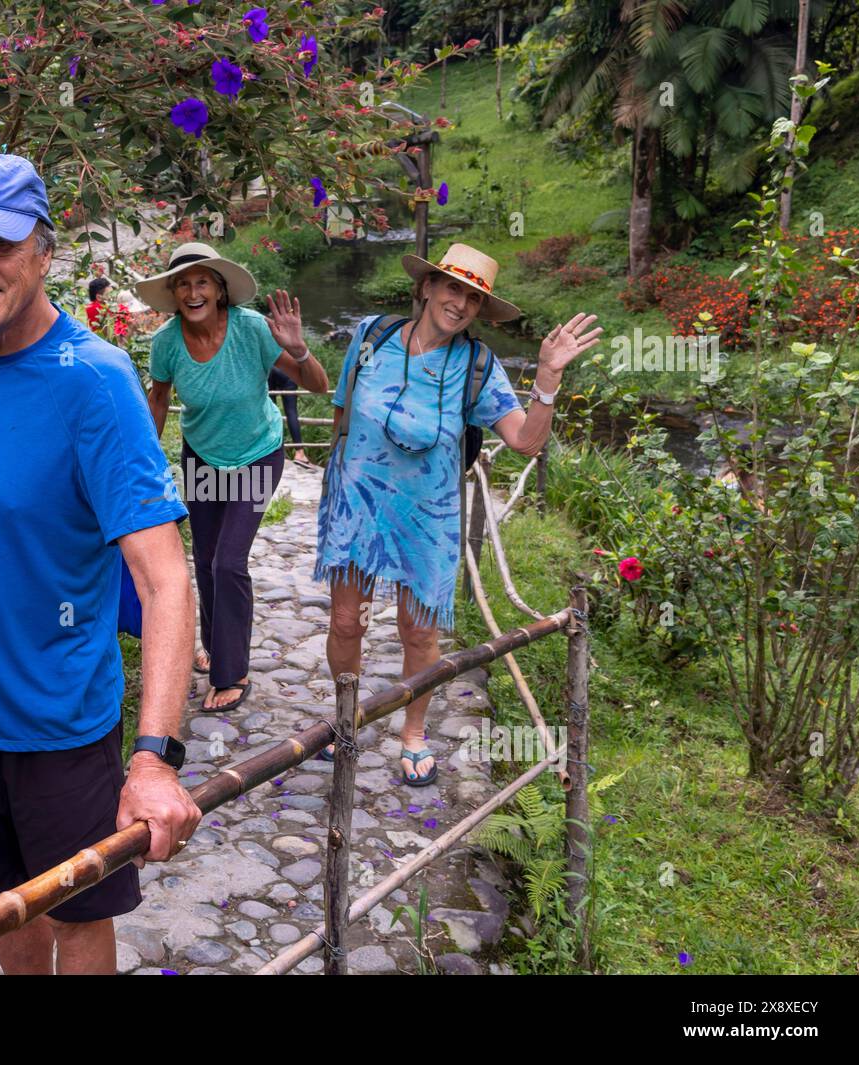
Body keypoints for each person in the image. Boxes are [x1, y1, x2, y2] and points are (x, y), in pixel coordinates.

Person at [0, 152, 201, 975]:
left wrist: (153, 757)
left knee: (77, 913)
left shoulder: (93, 381)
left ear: (43, 250)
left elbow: (165, 578)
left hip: (54, 725)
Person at [316, 243, 601, 785]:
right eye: (453, 287)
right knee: (345, 621)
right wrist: (334, 476)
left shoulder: (477, 364)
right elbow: (342, 408)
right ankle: (345, 717)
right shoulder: (371, 335)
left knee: (417, 633)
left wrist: (547, 379)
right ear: (426, 288)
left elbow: (524, 442)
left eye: (473, 297)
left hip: (428, 514)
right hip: (357, 505)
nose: (461, 302)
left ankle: (414, 732)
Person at [139, 243, 329, 710]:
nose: (192, 290)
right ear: (173, 293)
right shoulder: (167, 342)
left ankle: (233, 672)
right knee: (203, 562)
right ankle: (216, 649)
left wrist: (299, 349)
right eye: (182, 283)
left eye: (202, 281)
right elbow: (159, 399)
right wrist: (144, 463)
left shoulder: (252, 330)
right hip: (203, 456)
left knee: (228, 562)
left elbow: (319, 386)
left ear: (220, 290)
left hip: (256, 454)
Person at [268, 364, 311, 466]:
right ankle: (299, 452)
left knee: (270, 410)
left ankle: (271, 449)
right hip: (287, 369)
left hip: (270, 367)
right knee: (291, 411)